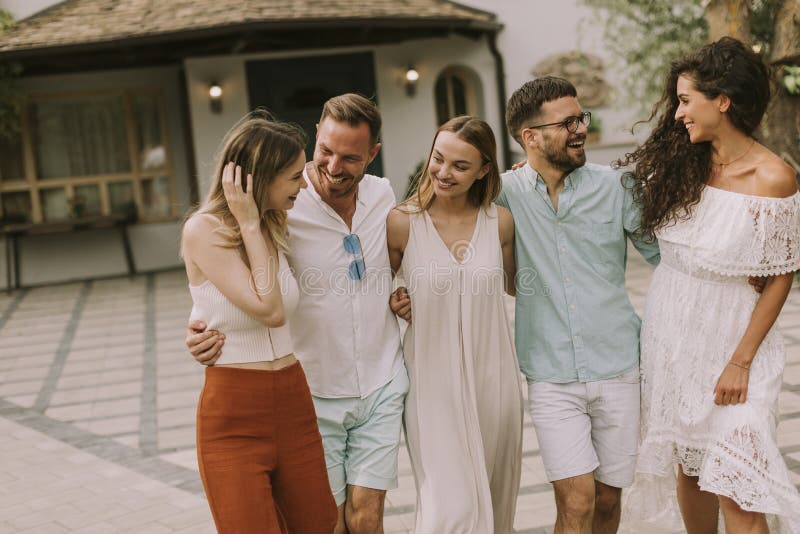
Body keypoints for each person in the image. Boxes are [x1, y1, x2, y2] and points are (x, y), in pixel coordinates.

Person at [186, 94, 407, 534]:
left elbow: (421, 235)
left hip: (357, 384)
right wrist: (197, 327)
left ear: (372, 155)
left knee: (351, 519)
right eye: (322, 152)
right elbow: (244, 297)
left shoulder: (377, 197)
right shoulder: (274, 218)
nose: (319, 173)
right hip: (302, 391)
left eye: (349, 157)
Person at [620, 37, 800, 533]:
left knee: (740, 484)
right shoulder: (682, 166)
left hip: (734, 340)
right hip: (673, 331)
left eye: (685, 101)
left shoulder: (773, 178)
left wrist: (740, 360)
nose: (677, 114)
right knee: (692, 468)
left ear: (722, 100)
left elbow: (781, 275)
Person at [498, 76, 661, 534]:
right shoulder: (504, 195)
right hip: (550, 375)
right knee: (576, 501)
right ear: (530, 136)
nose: (580, 128)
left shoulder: (617, 187)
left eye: (581, 117)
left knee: (608, 502)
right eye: (567, 121)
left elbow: (666, 258)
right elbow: (443, 226)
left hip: (619, 366)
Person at [181, 112, 337, 533]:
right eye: (292, 177)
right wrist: (248, 222)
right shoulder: (203, 229)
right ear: (257, 178)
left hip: (293, 400)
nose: (303, 185)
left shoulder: (274, 223)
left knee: (320, 525)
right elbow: (268, 309)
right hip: (234, 414)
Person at [387, 116, 523, 533]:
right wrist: (393, 298)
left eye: (460, 166)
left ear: (485, 170)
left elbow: (518, 286)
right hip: (431, 385)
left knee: (496, 509)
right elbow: (369, 293)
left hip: (494, 380)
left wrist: (529, 184)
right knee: (451, 510)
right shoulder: (401, 222)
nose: (444, 173)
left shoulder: (499, 221)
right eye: (438, 159)